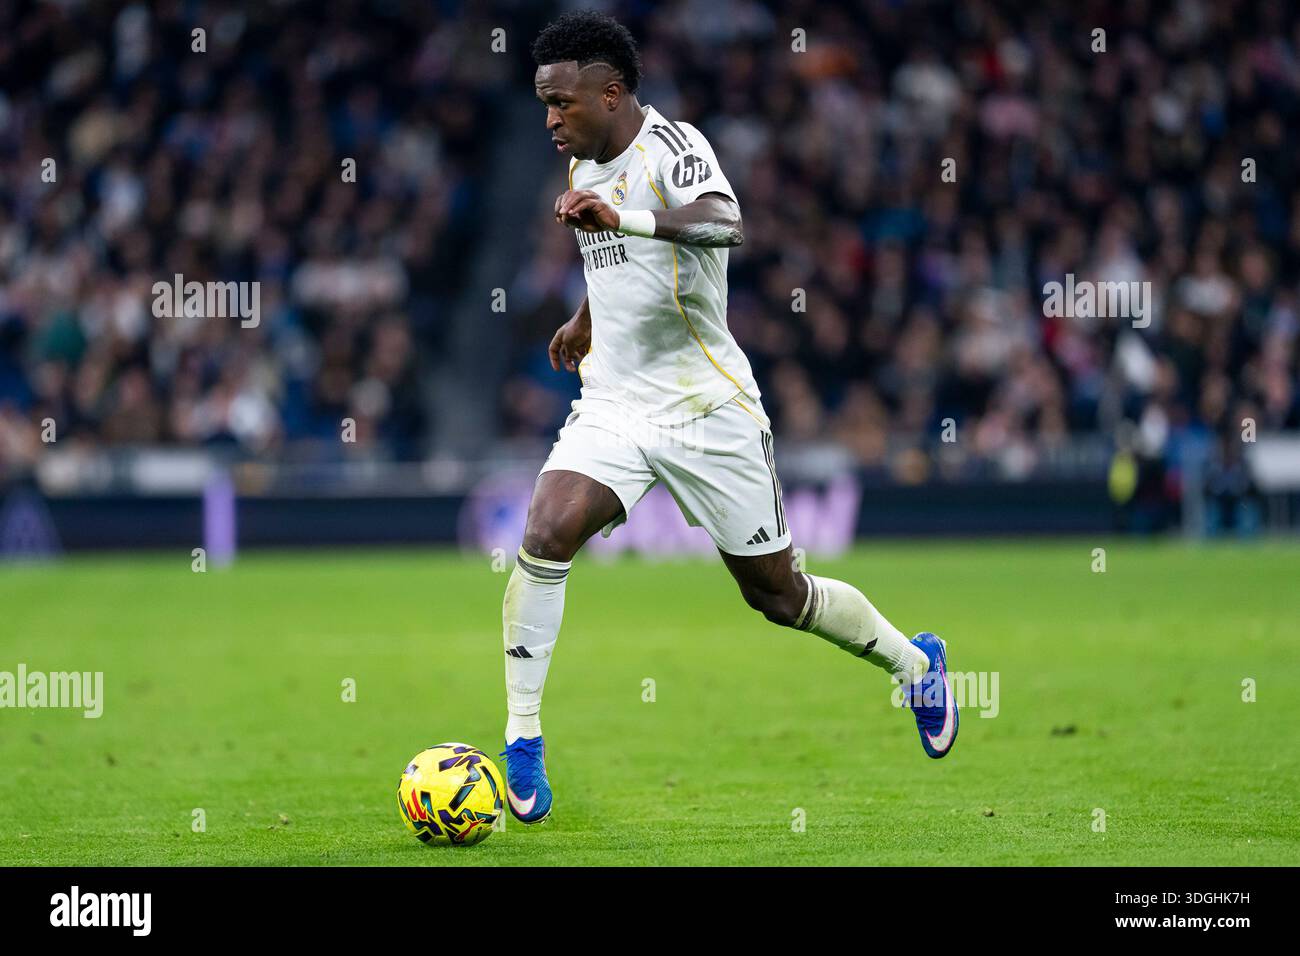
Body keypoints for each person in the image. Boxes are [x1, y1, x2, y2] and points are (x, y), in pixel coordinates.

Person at [501, 10, 957, 825]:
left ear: (611, 94)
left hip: (707, 407)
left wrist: (630, 219)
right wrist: (585, 320)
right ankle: (524, 739)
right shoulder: (582, 164)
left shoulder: (675, 148)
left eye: (561, 103)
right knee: (545, 532)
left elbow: (724, 224)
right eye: (543, 104)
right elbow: (624, 269)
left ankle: (913, 663)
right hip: (615, 400)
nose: (550, 120)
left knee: (778, 597)